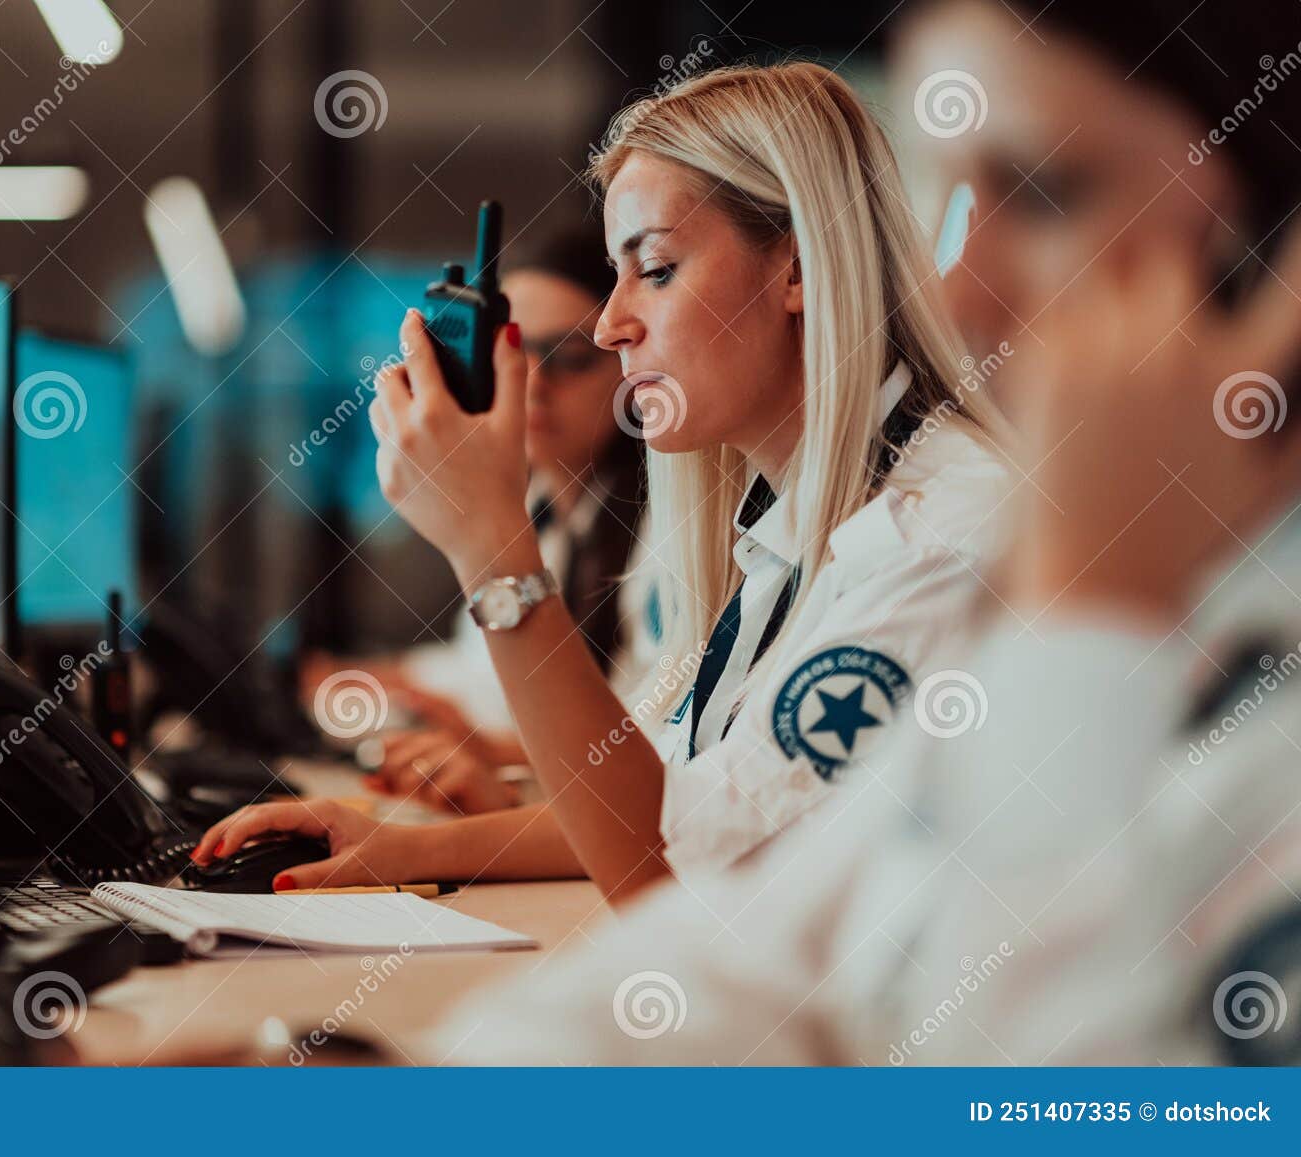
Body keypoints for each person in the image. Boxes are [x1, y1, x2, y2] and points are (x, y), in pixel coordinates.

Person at [415, 0, 1301, 1065]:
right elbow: (754, 947)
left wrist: (1087, 629)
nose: (960, 288)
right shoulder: (1010, 585)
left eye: (1044, 192)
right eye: (956, 199)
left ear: (1270, 246)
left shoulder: (987, 545)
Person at [193, 60, 1012, 900]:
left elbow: (663, 881)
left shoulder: (943, 533)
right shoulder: (785, 530)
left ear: (797, 270)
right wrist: (401, 851)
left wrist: (492, 551)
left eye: (654, 269)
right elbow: (681, 814)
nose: (615, 324)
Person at [302, 226, 653, 815]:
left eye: (568, 360)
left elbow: (650, 759)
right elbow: (480, 669)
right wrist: (396, 679)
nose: (532, 386)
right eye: (510, 358)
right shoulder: (539, 510)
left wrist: (496, 760)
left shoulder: (666, 533)